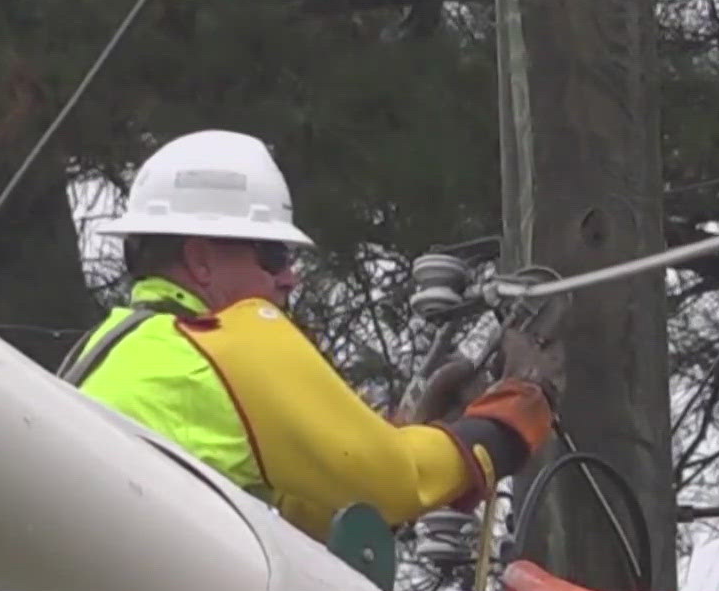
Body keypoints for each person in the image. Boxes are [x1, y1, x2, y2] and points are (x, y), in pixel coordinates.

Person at [58, 129, 554, 542]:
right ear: (200, 259)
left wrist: (415, 437)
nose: (290, 278)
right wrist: (505, 424)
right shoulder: (224, 338)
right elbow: (395, 482)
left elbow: (315, 510)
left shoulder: (113, 351)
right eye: (272, 255)